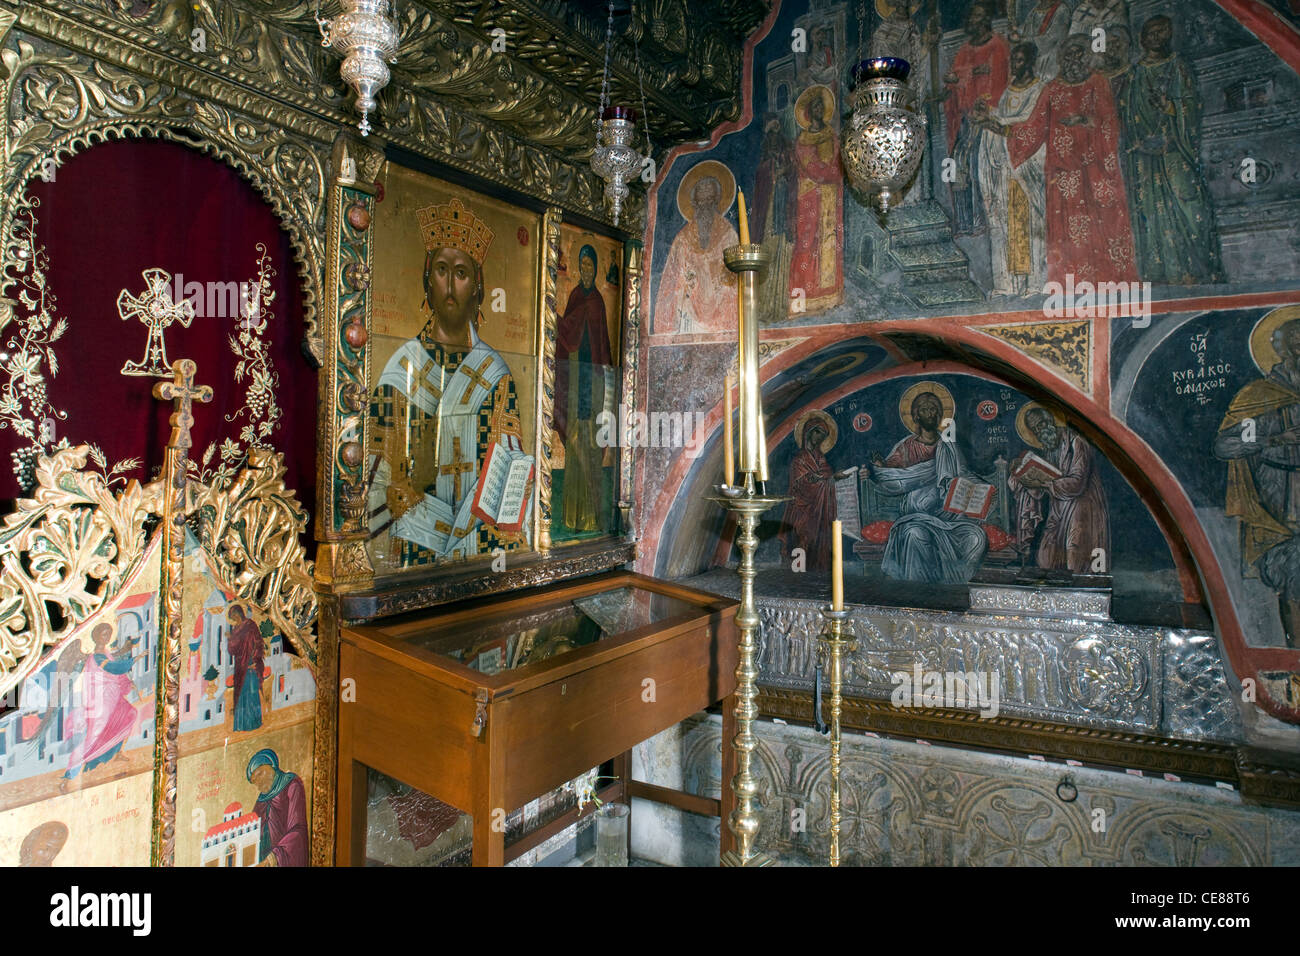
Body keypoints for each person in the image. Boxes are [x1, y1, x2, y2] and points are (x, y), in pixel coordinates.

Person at [367, 197, 528, 564]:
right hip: (414, 538)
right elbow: (376, 470)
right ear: (427, 280)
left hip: (479, 542)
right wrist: (400, 497)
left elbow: (509, 468)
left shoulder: (496, 374)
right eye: (442, 269)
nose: (451, 284)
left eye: (461, 272)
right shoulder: (401, 369)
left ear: (476, 285)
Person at [1007, 34, 1138, 286]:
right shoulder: (1052, 89)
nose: (1074, 60)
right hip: (1064, 172)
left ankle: (1113, 281)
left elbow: (1110, 123)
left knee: (1107, 224)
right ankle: (1075, 284)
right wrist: (1004, 130)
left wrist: (1085, 121)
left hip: (1097, 169)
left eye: (1079, 54)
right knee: (1070, 233)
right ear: (1061, 59)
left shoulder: (1098, 83)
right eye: (1069, 55)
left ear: (1087, 57)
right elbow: (1034, 126)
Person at [1116, 15, 1224, 285]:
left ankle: (1200, 271)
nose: (1155, 36)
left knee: (1188, 204)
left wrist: (1171, 109)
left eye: (1161, 31)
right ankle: (1164, 275)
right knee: (1151, 210)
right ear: (1142, 38)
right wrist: (1139, 142)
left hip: (1175, 150)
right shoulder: (1134, 73)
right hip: (1145, 156)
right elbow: (1126, 113)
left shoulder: (1178, 66)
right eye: (1150, 32)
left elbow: (1192, 104)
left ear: (1169, 35)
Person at [1214, 315, 1300, 648]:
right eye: (1294, 345)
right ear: (1281, 351)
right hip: (1279, 501)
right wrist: (1276, 439)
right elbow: (1225, 445)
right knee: (1292, 580)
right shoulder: (1261, 396)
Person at [870, 391, 987, 583]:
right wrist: (880, 468)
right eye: (924, 409)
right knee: (915, 535)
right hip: (916, 516)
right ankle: (920, 593)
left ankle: (952, 589)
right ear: (916, 415)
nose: (930, 413)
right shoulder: (906, 448)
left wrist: (982, 488)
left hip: (949, 518)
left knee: (976, 537)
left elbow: (963, 473)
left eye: (934, 409)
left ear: (940, 415)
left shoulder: (949, 446)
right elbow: (891, 478)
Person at [973, 41, 1049, 296]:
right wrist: (989, 113)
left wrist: (996, 124)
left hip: (1026, 165)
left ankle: (1034, 283)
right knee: (1005, 226)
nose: (1014, 65)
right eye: (1012, 60)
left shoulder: (1039, 90)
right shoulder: (1010, 90)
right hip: (1007, 167)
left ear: (1030, 62)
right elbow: (1004, 115)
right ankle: (1008, 285)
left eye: (1018, 60)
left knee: (1030, 227)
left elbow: (1031, 125)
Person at [554, 244, 614, 532]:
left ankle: (593, 517)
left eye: (591, 265)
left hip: (595, 383)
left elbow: (603, 345)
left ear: (596, 268)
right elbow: (567, 336)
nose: (587, 270)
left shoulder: (598, 301)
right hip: (576, 381)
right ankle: (572, 517)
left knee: (591, 446)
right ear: (579, 268)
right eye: (584, 265)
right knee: (576, 444)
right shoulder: (577, 296)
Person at [1008, 407, 1109, 572]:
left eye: (1041, 424)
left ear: (1050, 420)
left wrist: (1046, 484)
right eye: (1035, 429)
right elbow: (1045, 481)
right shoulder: (1050, 446)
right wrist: (1025, 477)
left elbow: (1077, 482)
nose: (1040, 430)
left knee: (1075, 551)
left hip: (1082, 504)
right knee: (1046, 556)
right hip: (1059, 505)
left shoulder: (1076, 441)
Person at [942, 4, 1009, 235]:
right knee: (957, 162)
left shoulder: (998, 46)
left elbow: (1001, 83)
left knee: (977, 162)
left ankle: (983, 219)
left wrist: (984, 103)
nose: (974, 22)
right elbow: (955, 82)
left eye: (979, 17)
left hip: (989, 118)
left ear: (987, 19)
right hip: (966, 119)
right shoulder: (964, 51)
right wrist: (953, 81)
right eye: (971, 18)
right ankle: (964, 221)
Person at [653, 163, 739, 334]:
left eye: (710, 200)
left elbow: (735, 276)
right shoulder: (683, 237)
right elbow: (671, 278)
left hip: (721, 306)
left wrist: (717, 280)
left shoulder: (727, 233)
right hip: (690, 311)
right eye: (702, 201)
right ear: (694, 203)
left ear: (717, 201)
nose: (706, 205)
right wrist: (686, 285)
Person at [62, 623, 140, 785]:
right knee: (94, 735)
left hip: (113, 696)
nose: (106, 638)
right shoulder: (96, 656)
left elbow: (115, 674)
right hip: (101, 700)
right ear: (96, 636)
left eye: (108, 634)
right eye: (103, 635)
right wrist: (134, 660)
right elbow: (112, 668)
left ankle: (116, 752)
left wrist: (126, 683)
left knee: (129, 714)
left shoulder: (106, 653)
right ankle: (71, 772)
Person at [791, 85, 844, 314]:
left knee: (830, 241)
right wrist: (830, 174)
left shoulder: (832, 134)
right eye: (815, 106)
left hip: (831, 195)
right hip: (810, 195)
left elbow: (840, 159)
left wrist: (834, 173)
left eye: (822, 105)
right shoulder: (803, 138)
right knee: (807, 241)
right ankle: (805, 297)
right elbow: (810, 165)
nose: (819, 109)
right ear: (808, 112)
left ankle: (829, 294)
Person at [778, 413, 839, 572]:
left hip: (818, 510)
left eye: (824, 436)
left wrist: (833, 478)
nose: (820, 438)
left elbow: (826, 476)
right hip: (801, 508)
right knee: (802, 538)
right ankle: (797, 573)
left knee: (816, 541)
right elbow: (801, 483)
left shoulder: (821, 458)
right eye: (818, 432)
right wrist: (824, 478)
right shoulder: (799, 459)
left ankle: (813, 571)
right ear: (808, 432)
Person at [246, 749, 307, 867]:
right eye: (254, 781)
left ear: (272, 766)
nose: (259, 782)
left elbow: (298, 830)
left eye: (260, 774)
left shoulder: (291, 785)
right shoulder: (260, 802)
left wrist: (274, 858)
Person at [227, 604, 264, 732]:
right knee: (241, 693)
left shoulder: (250, 625)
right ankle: (242, 725)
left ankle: (254, 722)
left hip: (250, 664)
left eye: (235, 616)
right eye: (232, 617)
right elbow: (232, 650)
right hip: (240, 666)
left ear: (240, 613)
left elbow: (258, 643)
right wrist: (230, 638)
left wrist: (255, 660)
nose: (235, 619)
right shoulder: (235, 630)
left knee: (251, 692)